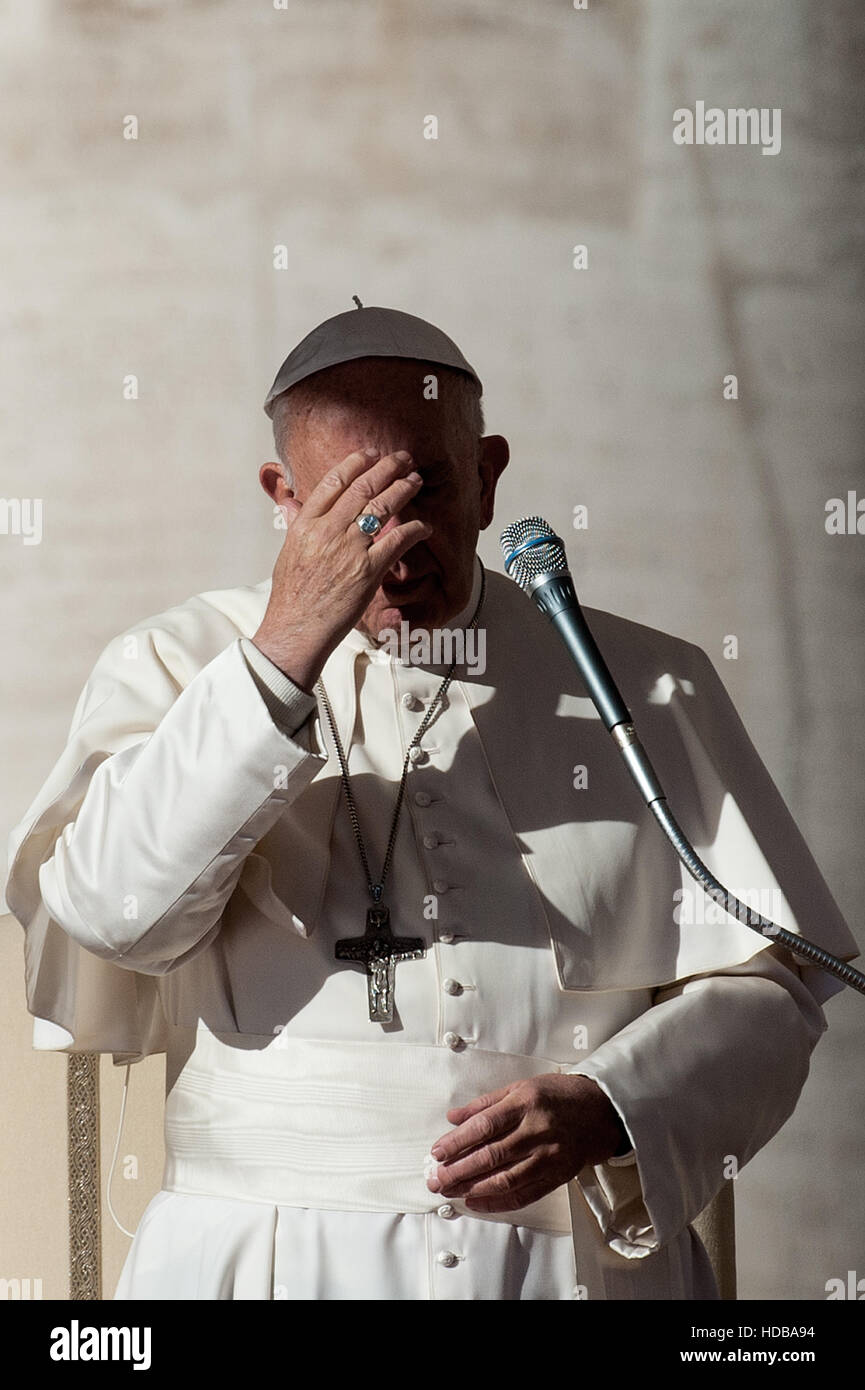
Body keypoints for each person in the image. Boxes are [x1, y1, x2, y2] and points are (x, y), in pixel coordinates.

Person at [6, 304, 858, 1301]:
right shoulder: (175, 661)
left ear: (489, 476)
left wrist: (615, 1102)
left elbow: (772, 978)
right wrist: (278, 663)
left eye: (423, 491)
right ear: (280, 496)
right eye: (348, 505)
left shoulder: (644, 681)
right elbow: (113, 916)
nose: (395, 546)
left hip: (564, 1266)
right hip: (265, 1258)